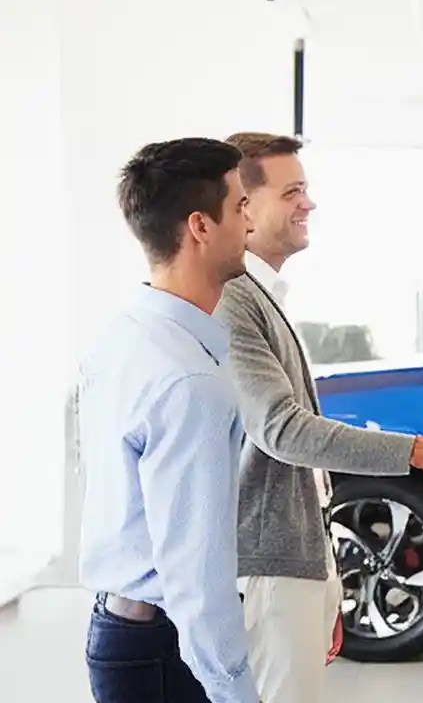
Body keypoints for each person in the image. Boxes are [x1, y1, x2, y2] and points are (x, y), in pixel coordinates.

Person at [213, 132, 423, 703]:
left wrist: (323, 576)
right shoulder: (234, 300)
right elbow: (283, 431)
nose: (308, 204)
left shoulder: (263, 297)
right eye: (293, 191)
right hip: (268, 570)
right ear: (245, 207)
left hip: (294, 566)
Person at [77, 137, 259, 702]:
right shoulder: (191, 384)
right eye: (241, 206)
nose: (251, 223)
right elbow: (195, 579)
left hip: (121, 627)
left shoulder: (123, 334)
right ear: (200, 226)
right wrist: (237, 693)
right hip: (164, 649)